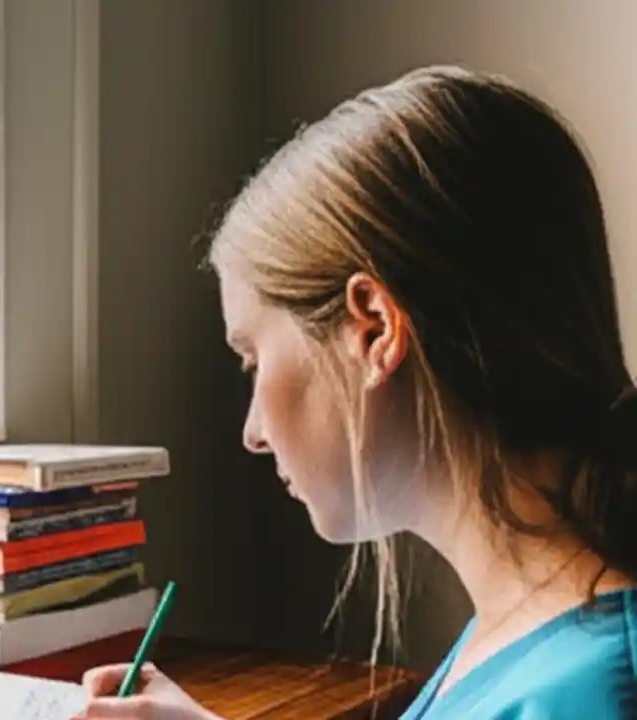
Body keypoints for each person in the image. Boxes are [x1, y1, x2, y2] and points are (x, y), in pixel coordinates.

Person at [75, 65, 637, 719]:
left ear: (372, 327)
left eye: (253, 360)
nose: (253, 432)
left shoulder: (583, 696)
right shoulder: (529, 630)